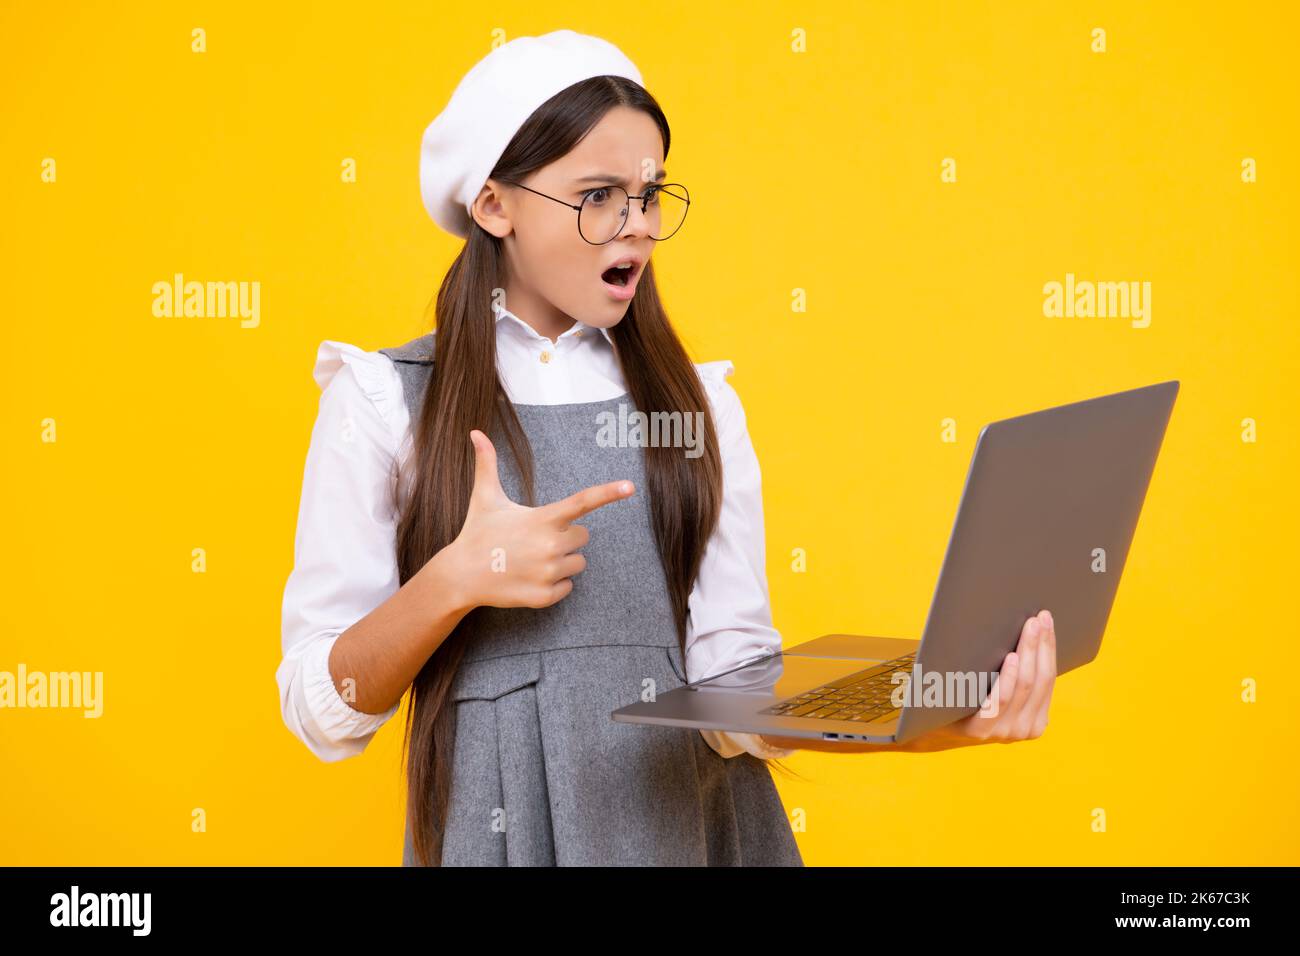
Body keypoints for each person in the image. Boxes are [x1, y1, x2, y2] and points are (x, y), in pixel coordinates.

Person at [277, 29, 1057, 867]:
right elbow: (325, 710)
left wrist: (931, 719)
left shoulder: (700, 405)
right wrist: (455, 579)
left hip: (700, 835)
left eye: (649, 195)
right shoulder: (381, 401)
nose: (637, 227)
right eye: (599, 196)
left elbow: (735, 707)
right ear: (495, 205)